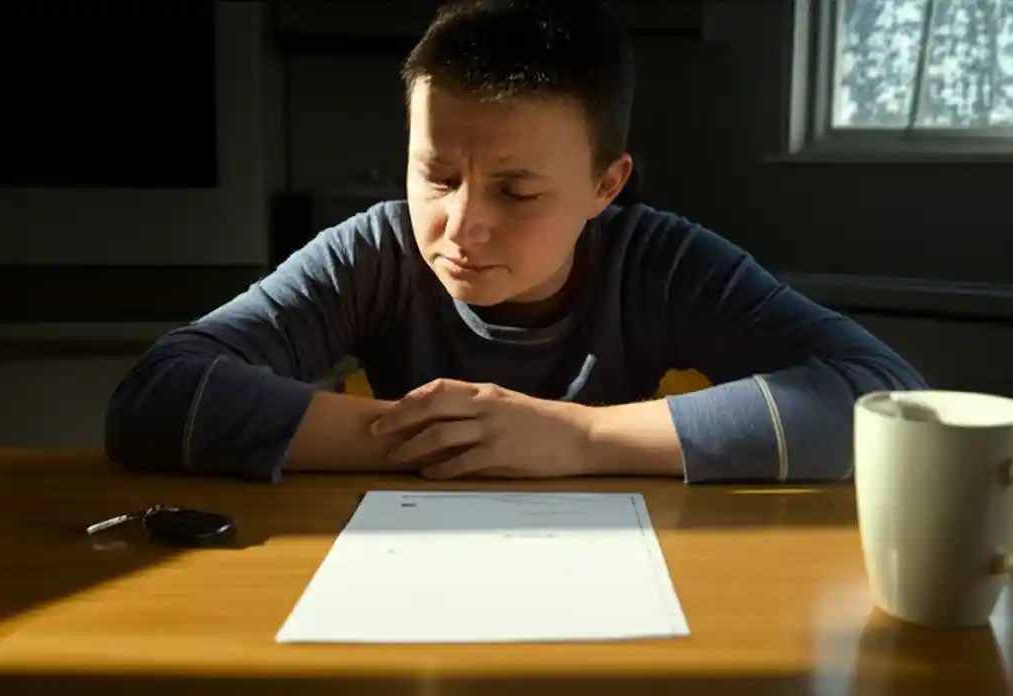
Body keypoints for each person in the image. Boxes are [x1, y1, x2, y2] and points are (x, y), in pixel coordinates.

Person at [104, 0, 926, 484]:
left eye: (517, 191)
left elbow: (881, 396)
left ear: (607, 186)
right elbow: (156, 394)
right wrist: (446, 440)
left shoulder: (661, 263)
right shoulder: (375, 254)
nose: (459, 228)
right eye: (434, 175)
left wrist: (577, 438)